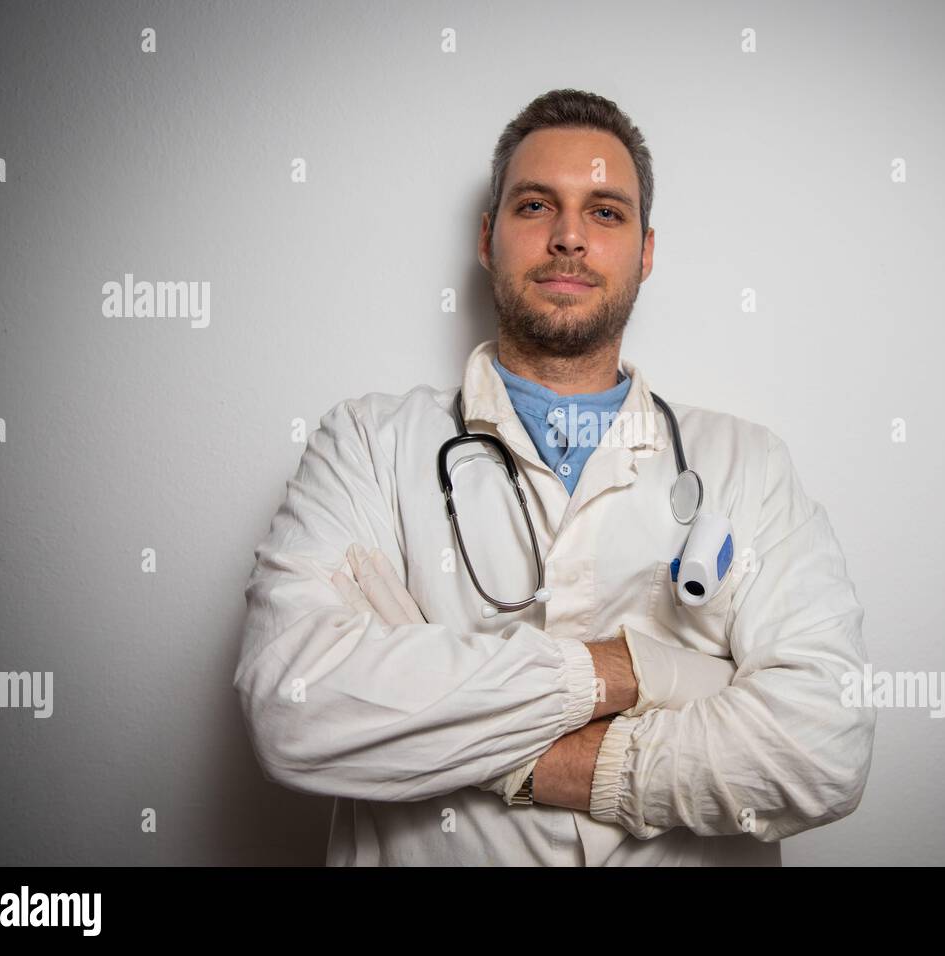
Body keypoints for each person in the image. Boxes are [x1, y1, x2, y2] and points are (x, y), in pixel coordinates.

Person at [233, 89, 875, 866]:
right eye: (536, 205)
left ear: (645, 250)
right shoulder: (369, 442)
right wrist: (646, 671)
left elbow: (823, 748)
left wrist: (451, 736)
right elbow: (295, 705)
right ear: (486, 237)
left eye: (605, 212)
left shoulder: (749, 465)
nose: (569, 237)